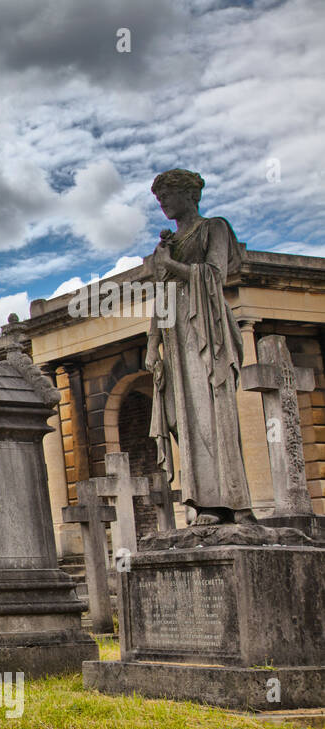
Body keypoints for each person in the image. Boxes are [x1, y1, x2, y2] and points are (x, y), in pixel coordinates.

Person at [146, 168, 253, 525]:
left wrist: (171, 265)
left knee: (210, 415)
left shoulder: (214, 228)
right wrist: (151, 344)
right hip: (175, 336)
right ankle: (201, 502)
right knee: (181, 416)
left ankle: (229, 502)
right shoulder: (167, 246)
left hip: (205, 330)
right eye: (159, 200)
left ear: (190, 195)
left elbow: (214, 275)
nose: (163, 205)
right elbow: (162, 297)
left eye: (168, 197)